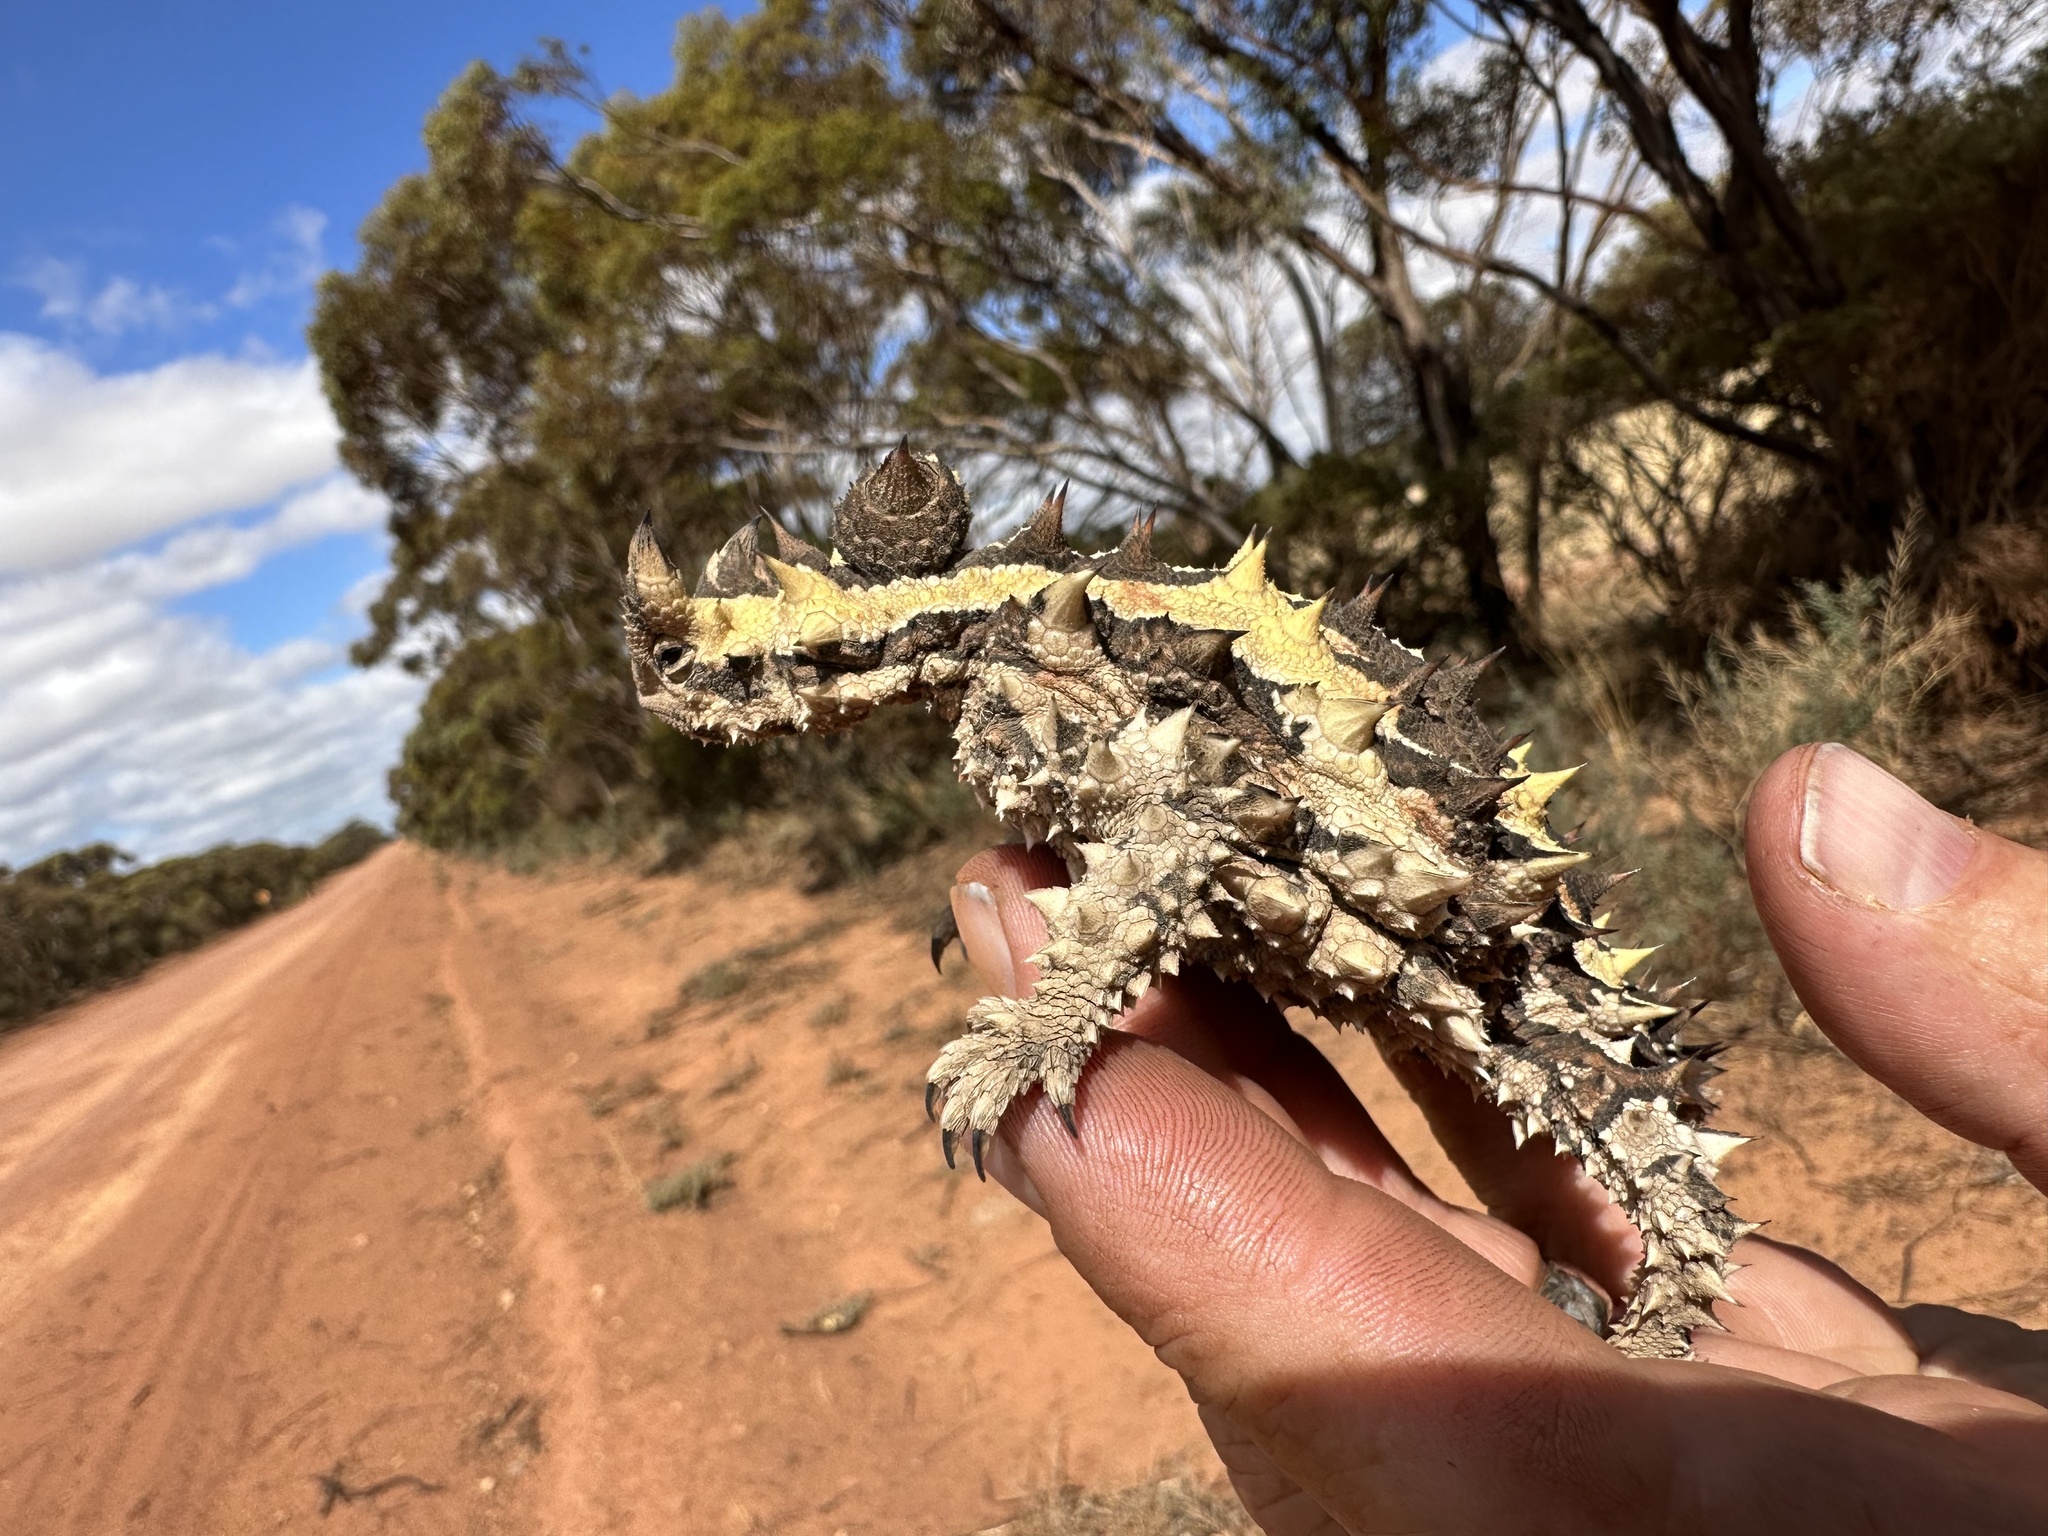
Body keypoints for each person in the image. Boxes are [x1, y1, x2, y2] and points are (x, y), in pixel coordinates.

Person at [944, 743, 2048, 1533]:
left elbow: (1172, 832)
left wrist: (1065, 1000)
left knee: (1650, 1202)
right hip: (1387, 898)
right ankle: (1625, 1343)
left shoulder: (1035, 675)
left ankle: (1644, 1334)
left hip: (1486, 942)